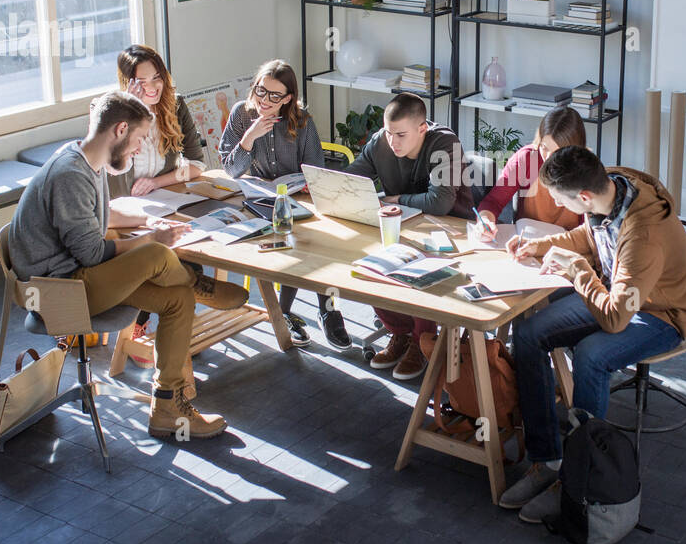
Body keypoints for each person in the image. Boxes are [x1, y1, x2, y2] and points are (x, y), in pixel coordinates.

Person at [8, 90, 249, 439]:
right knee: (154, 256)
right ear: (120, 130)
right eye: (138, 139)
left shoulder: (83, 160)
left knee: (177, 300)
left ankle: (167, 406)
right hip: (56, 295)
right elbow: (92, 253)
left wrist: (151, 226)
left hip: (75, 278)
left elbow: (101, 217)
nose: (139, 149)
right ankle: (198, 284)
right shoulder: (70, 175)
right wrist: (150, 241)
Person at [498, 146, 686, 522]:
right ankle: (547, 460)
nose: (560, 206)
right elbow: (587, 236)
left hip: (662, 314)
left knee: (592, 355)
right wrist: (540, 246)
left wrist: (578, 272)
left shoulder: (643, 235)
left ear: (585, 196)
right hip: (619, 292)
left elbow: (614, 320)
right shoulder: (610, 188)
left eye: (562, 200)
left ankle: (580, 476)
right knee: (528, 332)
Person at [218, 59, 350, 350]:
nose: (265, 101)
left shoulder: (302, 120)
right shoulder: (242, 113)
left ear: (288, 98)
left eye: (275, 96)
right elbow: (230, 169)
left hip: (298, 200)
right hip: (257, 202)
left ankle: (324, 309)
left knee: (312, 241)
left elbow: (317, 173)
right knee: (289, 238)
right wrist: (250, 137)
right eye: (261, 91)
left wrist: (302, 185)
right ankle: (287, 312)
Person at [347, 93, 473, 379]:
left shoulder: (444, 142)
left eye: (401, 135)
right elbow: (354, 177)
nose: (393, 142)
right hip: (403, 225)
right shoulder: (382, 141)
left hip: (451, 231)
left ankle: (421, 341)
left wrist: (395, 198)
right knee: (371, 264)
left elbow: (440, 202)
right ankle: (399, 333)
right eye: (389, 133)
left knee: (416, 272)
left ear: (422, 129)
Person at [109, 45, 206, 361]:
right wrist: (133, 111)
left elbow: (196, 165)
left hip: (165, 202)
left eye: (157, 79)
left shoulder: (174, 106)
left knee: (192, 243)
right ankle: (147, 322)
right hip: (122, 213)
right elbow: (111, 172)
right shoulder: (114, 115)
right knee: (158, 254)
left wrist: (157, 182)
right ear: (127, 84)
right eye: (141, 82)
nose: (151, 88)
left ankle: (177, 323)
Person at [474, 106, 586, 240]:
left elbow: (589, 231)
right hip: (525, 244)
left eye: (558, 151)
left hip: (567, 247)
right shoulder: (526, 158)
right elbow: (493, 201)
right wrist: (485, 221)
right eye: (544, 147)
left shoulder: (587, 168)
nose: (549, 157)